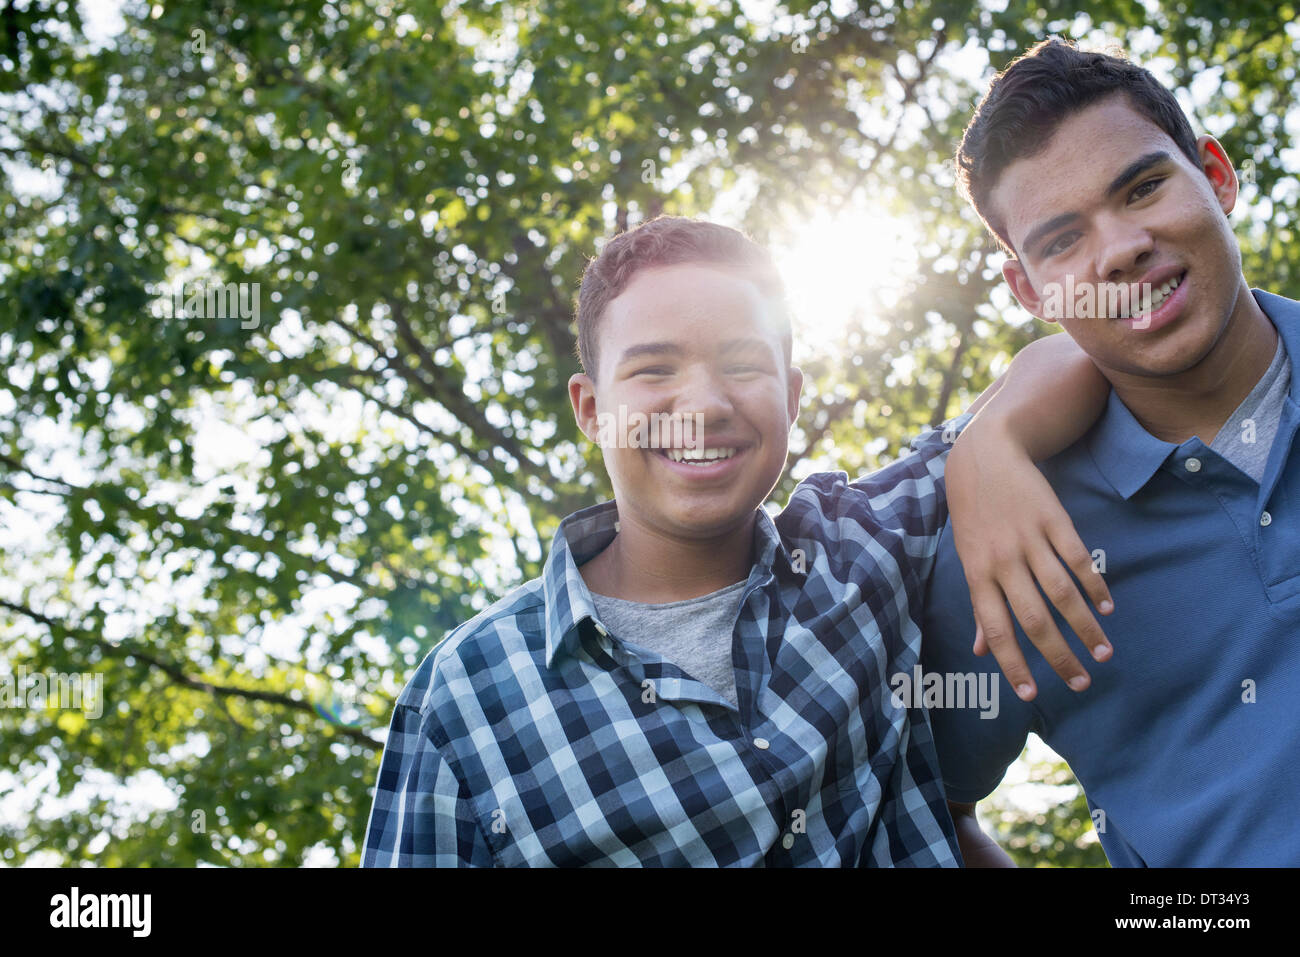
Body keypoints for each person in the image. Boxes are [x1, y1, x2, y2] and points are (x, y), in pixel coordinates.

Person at [362, 216, 1109, 867]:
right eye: (655, 369)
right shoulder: (465, 694)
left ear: (791, 396)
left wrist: (993, 443)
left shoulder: (863, 549)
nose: (705, 405)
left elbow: (1082, 354)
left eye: (742, 364)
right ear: (592, 409)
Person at [922, 37, 1300, 866]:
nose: (1119, 248)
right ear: (1029, 290)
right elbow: (927, 810)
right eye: (1061, 240)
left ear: (1217, 175)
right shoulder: (1006, 543)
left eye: (1143, 186)